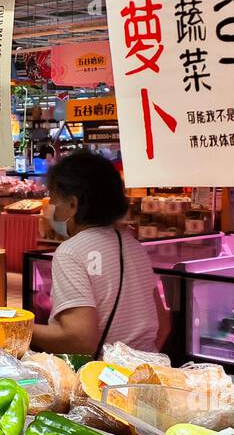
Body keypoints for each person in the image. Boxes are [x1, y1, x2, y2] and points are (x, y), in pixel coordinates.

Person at [30, 150, 165, 355]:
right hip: (148, 371)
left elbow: (79, 340)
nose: (53, 211)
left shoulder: (71, 253)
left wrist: (17, 328)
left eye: (55, 202)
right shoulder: (134, 246)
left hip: (103, 381)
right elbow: (163, 325)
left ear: (73, 204)